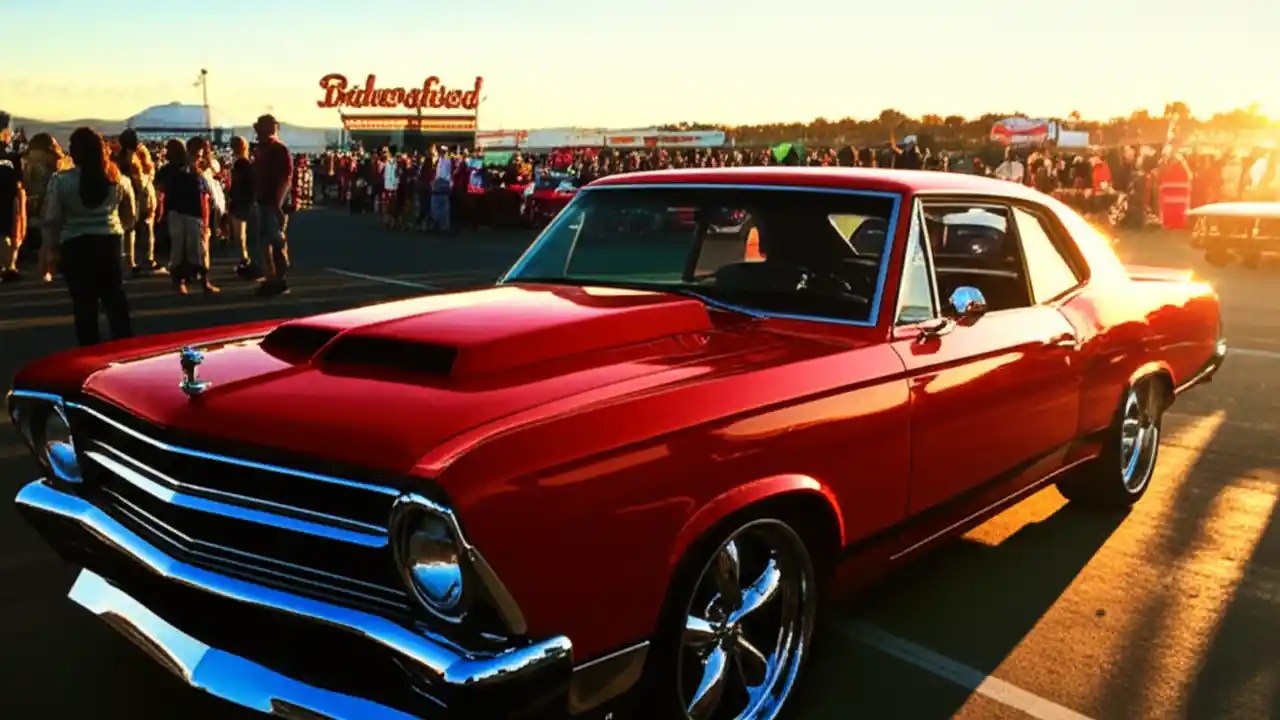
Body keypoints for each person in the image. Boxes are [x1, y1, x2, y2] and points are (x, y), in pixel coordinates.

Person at [41, 127, 135, 346]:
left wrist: (50, 248)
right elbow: (130, 216)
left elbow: (52, 218)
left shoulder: (61, 181)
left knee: (84, 306)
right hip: (109, 241)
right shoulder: (118, 180)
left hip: (75, 245)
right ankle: (125, 348)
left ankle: (89, 353)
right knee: (115, 301)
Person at [156, 138, 218, 294]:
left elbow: (203, 195)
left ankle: (195, 281)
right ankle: (186, 281)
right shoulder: (177, 170)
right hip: (181, 212)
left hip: (187, 212)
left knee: (191, 249)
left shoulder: (190, 170)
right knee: (185, 249)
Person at [250, 114, 293, 296]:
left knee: (274, 242)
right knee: (266, 243)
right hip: (264, 202)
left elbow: (285, 179)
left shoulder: (277, 150)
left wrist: (277, 205)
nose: (256, 132)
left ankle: (278, 279)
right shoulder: (264, 149)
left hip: (273, 204)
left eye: (259, 128)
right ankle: (272, 278)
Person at [0, 110, 26, 283]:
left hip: (7, 196)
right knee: (6, 232)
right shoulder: (11, 156)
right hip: (7, 198)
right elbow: (19, 180)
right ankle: (9, 266)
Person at [227, 136, 256, 275]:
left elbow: (237, 184)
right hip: (243, 201)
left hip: (240, 201)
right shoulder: (246, 164)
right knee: (241, 234)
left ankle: (244, 260)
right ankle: (244, 259)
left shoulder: (240, 164)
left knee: (239, 235)